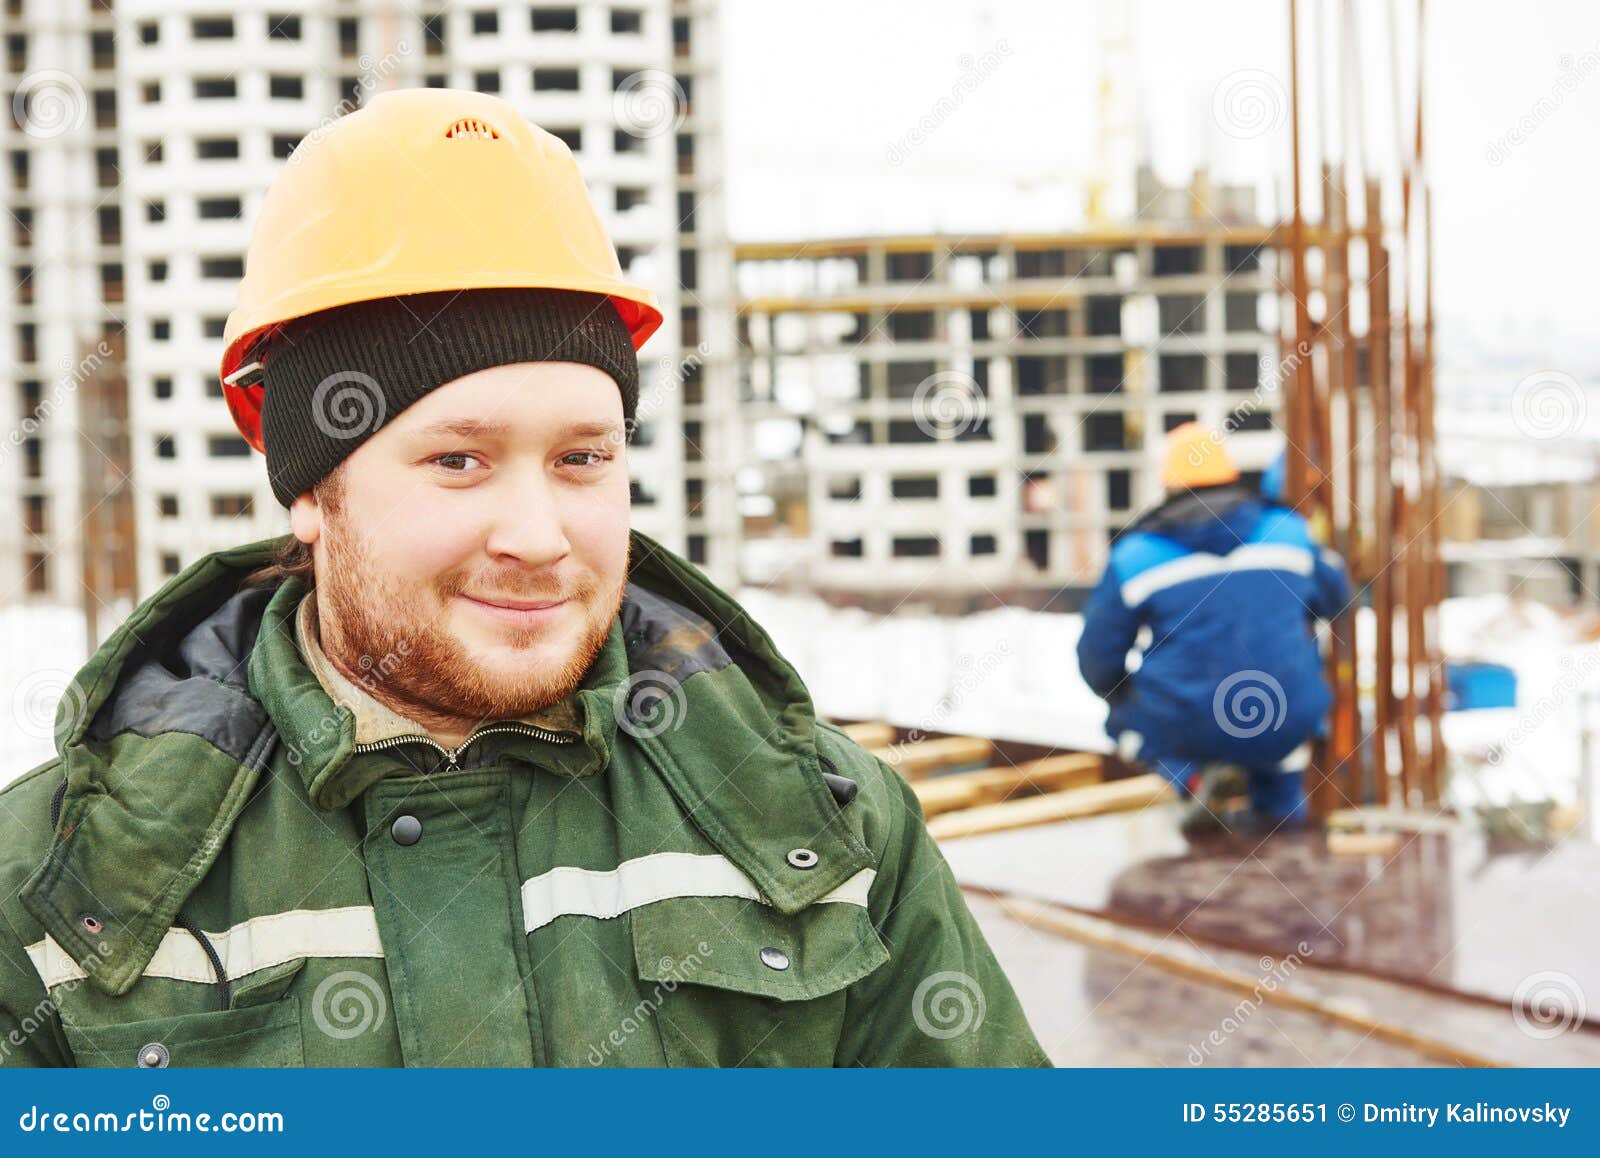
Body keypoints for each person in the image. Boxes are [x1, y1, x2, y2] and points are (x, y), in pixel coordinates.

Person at [0, 89, 1047, 1068]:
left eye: (581, 459)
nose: (540, 537)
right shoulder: (59, 885)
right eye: (458, 461)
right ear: (310, 486)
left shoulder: (823, 828)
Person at [1076, 424, 1349, 836]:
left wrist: (1132, 697)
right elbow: (1337, 598)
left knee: (1122, 719)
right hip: (1283, 716)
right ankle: (1286, 827)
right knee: (1283, 749)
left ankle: (1191, 778)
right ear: (1232, 475)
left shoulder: (1134, 555)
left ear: (1167, 485)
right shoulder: (1289, 532)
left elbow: (1097, 660)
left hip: (1188, 723)